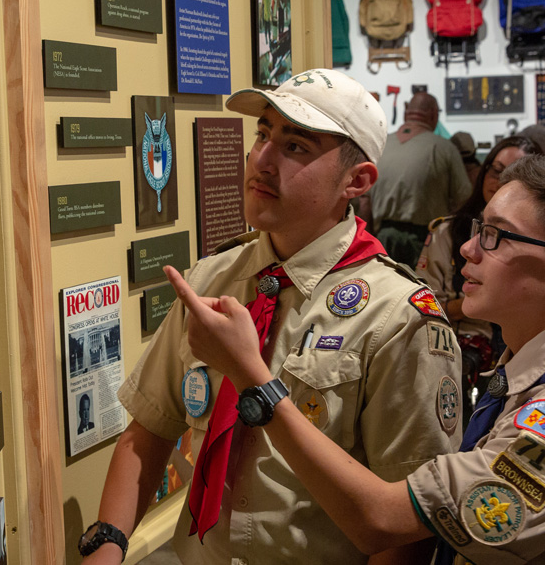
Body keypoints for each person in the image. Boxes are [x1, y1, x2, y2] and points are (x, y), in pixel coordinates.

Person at [167, 155, 545, 564]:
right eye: (477, 227)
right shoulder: (522, 376)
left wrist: (254, 380)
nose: (469, 248)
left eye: (497, 236)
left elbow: (380, 520)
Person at [80, 69, 462, 565]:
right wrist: (106, 545)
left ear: (357, 180)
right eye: (262, 135)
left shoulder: (396, 317)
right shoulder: (210, 280)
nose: (261, 160)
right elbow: (151, 426)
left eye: (296, 147)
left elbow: (406, 525)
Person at [416, 136, 544, 425]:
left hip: (526, 352)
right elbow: (424, 305)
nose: (500, 182)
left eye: (515, 174)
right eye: (496, 170)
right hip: (465, 350)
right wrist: (482, 301)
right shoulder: (449, 232)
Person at [367, 92, 471, 265]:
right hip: (426, 239)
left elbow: (364, 202)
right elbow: (464, 199)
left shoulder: (381, 145)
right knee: (422, 290)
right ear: (433, 115)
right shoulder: (444, 148)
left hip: (383, 238)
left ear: (406, 111)